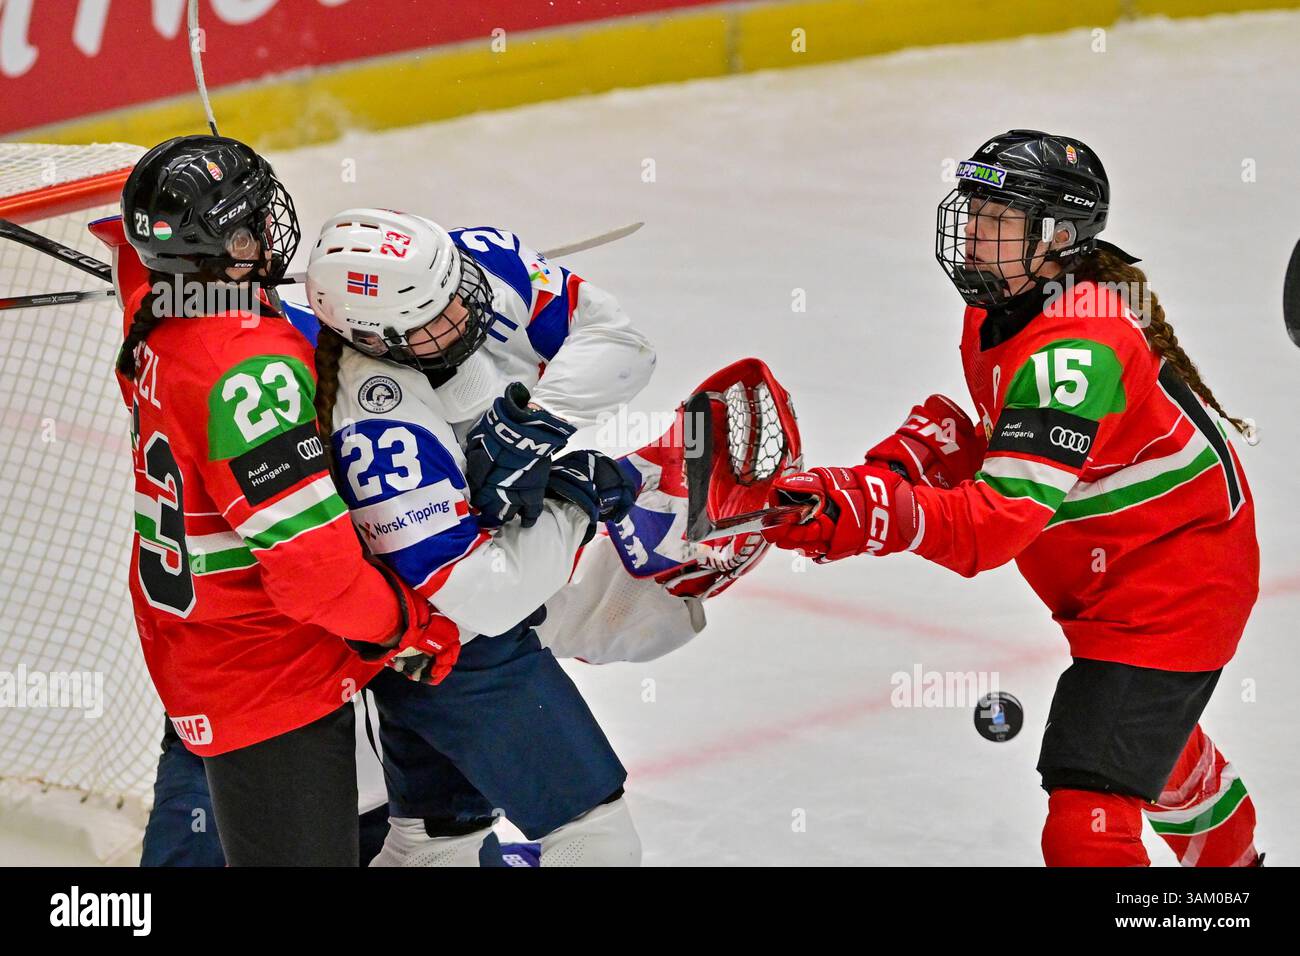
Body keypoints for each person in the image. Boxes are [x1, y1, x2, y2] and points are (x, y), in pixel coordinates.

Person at [764, 130, 1262, 866]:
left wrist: (877, 512)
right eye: (975, 209)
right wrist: (896, 472)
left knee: (1086, 817)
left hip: (1173, 590)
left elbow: (992, 528)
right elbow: (1008, 444)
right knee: (1154, 754)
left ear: (1058, 237)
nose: (973, 233)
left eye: (1000, 218)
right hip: (1116, 573)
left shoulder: (1078, 348)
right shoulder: (1003, 304)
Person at [114, 136, 458, 866]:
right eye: (253, 225)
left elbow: (137, 260)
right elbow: (317, 577)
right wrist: (408, 627)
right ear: (232, 245)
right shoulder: (251, 375)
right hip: (270, 676)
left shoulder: (154, 312)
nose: (273, 230)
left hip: (200, 646)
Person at [306, 208, 658, 865]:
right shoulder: (379, 422)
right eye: (433, 322)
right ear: (375, 338)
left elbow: (622, 342)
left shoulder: (472, 262)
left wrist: (540, 420)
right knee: (595, 838)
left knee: (436, 844)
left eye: (457, 290)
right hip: (453, 654)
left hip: (418, 652)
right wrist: (574, 503)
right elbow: (477, 600)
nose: (463, 316)